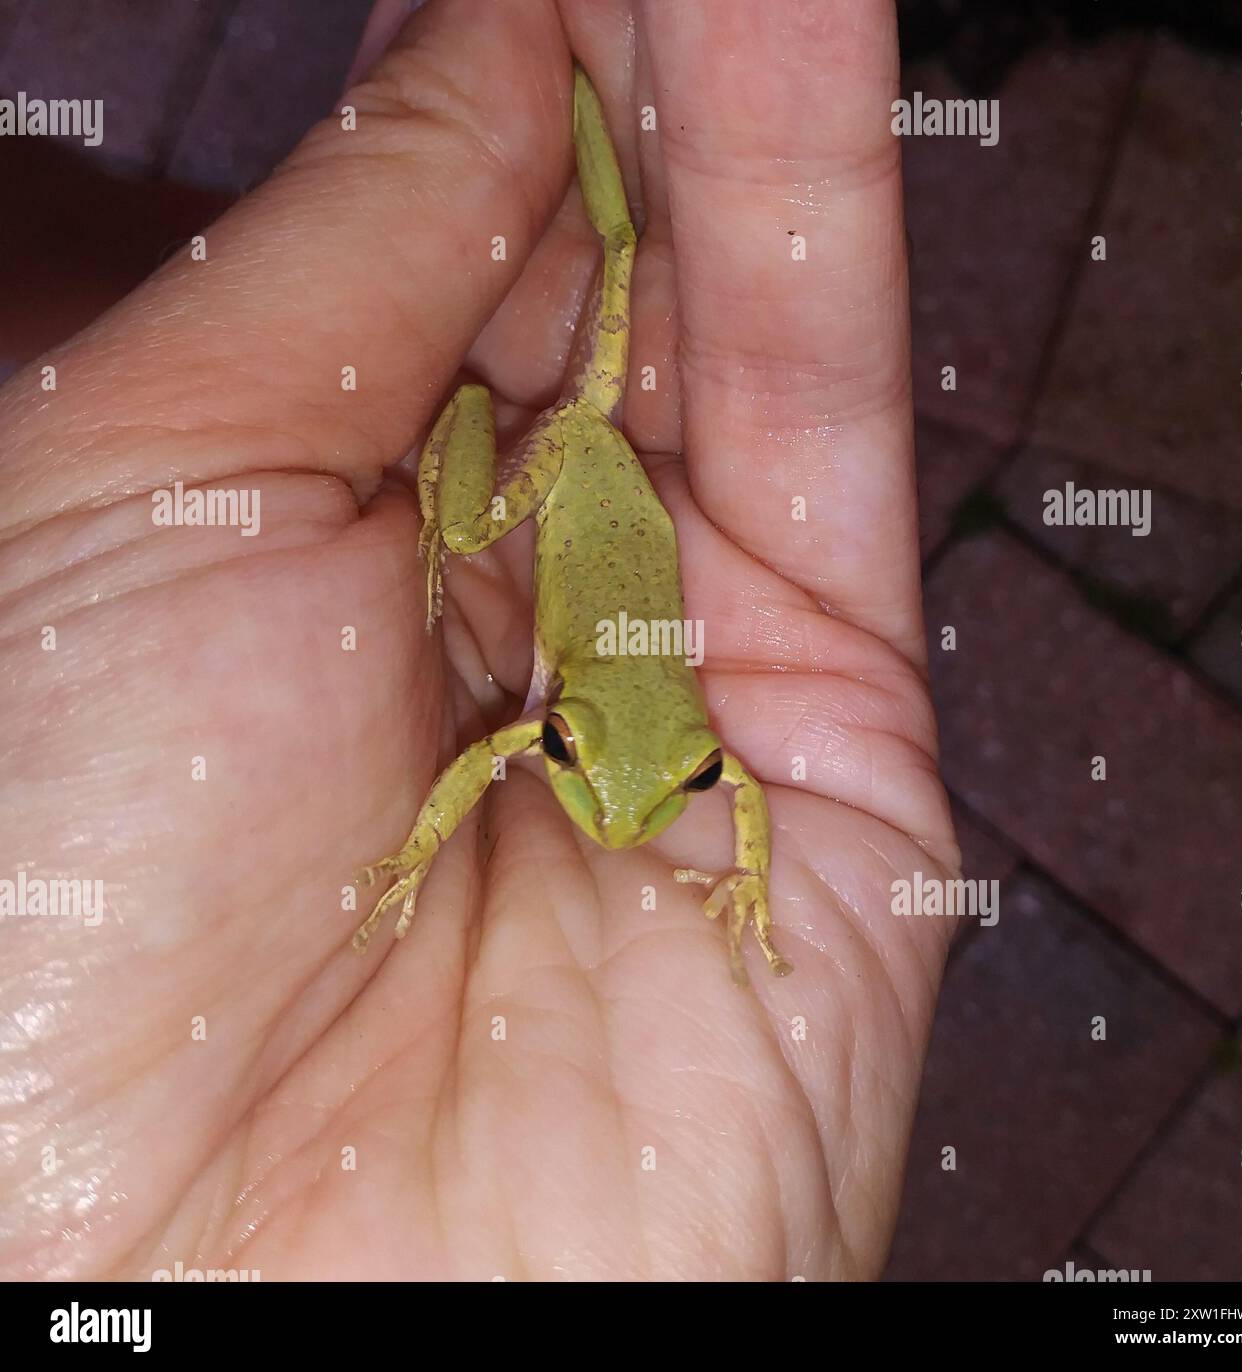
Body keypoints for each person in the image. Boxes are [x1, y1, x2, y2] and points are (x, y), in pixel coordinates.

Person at [0, 0, 958, 1280]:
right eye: (568, 757)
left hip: (618, 502)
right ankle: (502, 288)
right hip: (585, 481)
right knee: (471, 499)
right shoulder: (571, 737)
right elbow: (545, 759)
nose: (605, 809)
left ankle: (562, 147)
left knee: (608, 284)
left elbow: (700, 784)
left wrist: (428, 855)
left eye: (609, 770)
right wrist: (431, 845)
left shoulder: (683, 760)